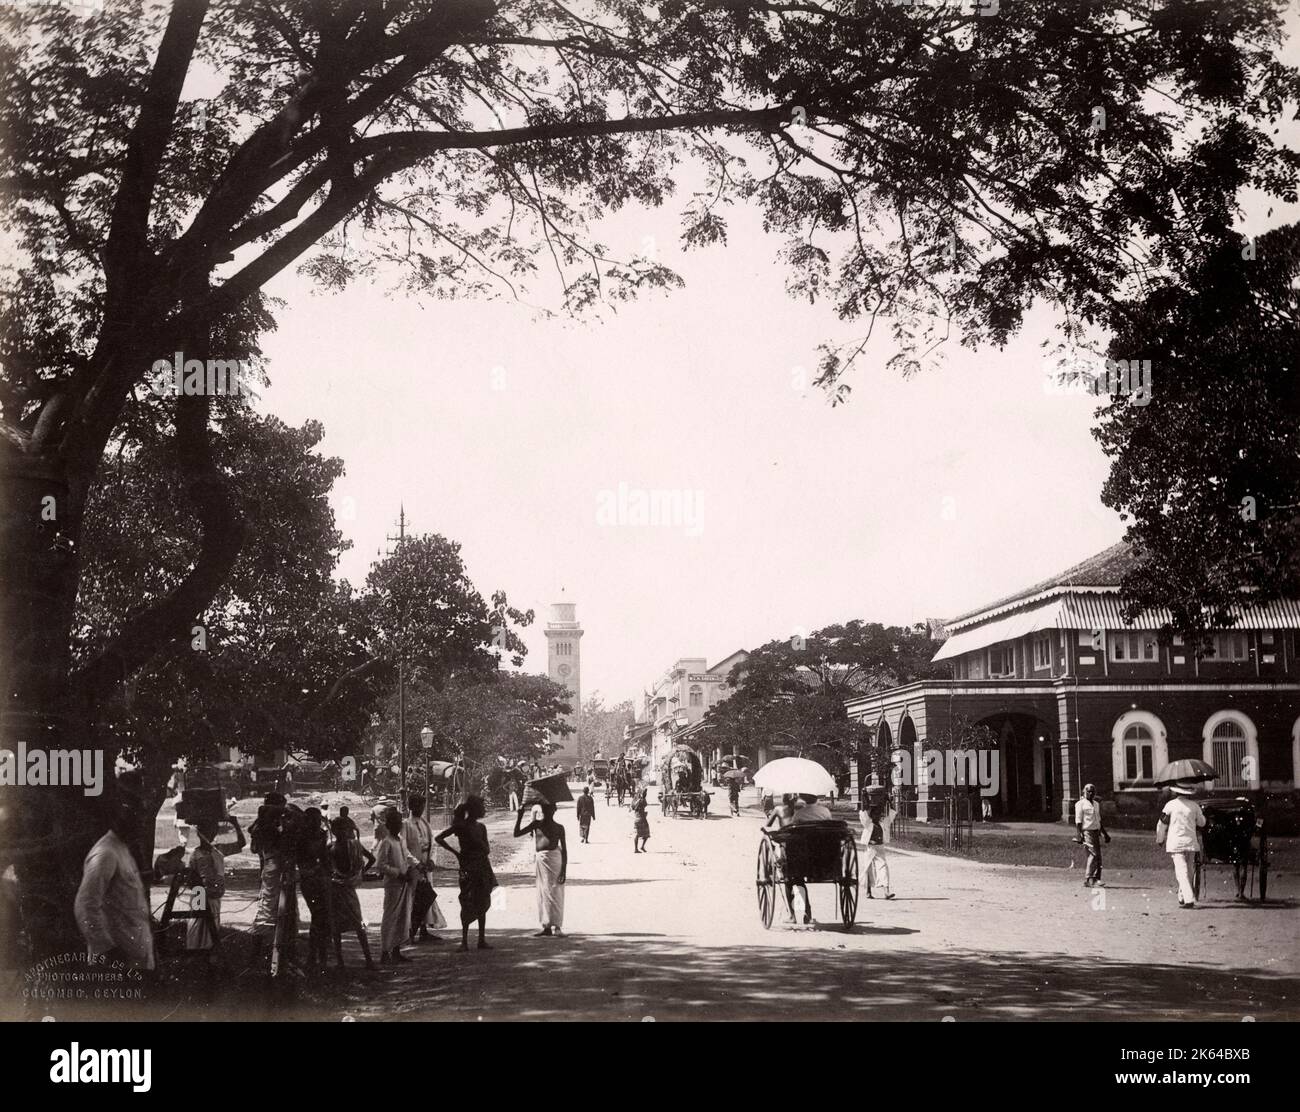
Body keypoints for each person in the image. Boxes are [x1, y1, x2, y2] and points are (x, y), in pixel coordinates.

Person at [75, 792, 156, 972]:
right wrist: (105, 948)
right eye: (136, 818)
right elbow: (85, 904)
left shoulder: (122, 849)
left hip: (135, 958)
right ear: (120, 819)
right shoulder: (106, 854)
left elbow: (124, 891)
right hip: (117, 963)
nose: (142, 825)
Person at [436, 796, 497, 951]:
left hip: (482, 866)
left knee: (483, 900)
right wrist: (456, 853)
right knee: (467, 901)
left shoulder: (481, 827)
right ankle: (464, 941)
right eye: (481, 808)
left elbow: (487, 849)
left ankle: (481, 939)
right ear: (474, 810)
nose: (484, 810)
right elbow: (439, 838)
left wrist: (478, 844)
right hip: (469, 867)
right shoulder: (461, 827)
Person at [185, 814, 245, 952]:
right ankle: (193, 953)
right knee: (197, 923)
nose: (211, 835)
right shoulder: (195, 855)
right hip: (199, 895)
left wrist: (235, 824)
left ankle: (208, 954)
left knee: (211, 926)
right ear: (200, 834)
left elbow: (241, 844)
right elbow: (189, 879)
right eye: (208, 832)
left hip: (214, 896)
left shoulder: (218, 850)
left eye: (213, 832)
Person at [328, 817, 377, 969]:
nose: (344, 832)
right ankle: (342, 961)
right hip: (341, 889)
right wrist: (359, 873)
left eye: (346, 829)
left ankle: (365, 960)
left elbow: (371, 859)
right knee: (343, 926)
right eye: (342, 829)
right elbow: (371, 859)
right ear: (335, 831)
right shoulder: (348, 847)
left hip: (340, 888)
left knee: (354, 924)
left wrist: (360, 873)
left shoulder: (335, 847)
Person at [515, 799, 567, 936]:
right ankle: (547, 927)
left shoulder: (559, 828)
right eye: (546, 809)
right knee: (543, 893)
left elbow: (565, 850)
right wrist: (520, 816)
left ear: (554, 810)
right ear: (542, 811)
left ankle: (557, 927)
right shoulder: (536, 824)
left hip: (555, 860)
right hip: (541, 860)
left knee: (556, 893)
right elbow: (516, 833)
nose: (548, 812)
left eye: (550, 809)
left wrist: (564, 870)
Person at [376, 807, 418, 963]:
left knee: (402, 917)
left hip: (404, 883)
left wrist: (417, 864)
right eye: (394, 823)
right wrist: (397, 873)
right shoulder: (386, 842)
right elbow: (381, 865)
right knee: (390, 917)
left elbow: (407, 855)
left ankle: (396, 950)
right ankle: (384, 952)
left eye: (399, 822)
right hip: (393, 885)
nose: (398, 825)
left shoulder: (401, 840)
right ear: (388, 825)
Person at [1158, 784, 1206, 908]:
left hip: (1176, 842)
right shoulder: (1194, 806)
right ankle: (1182, 895)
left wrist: (1160, 838)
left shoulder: (1170, 805)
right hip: (1190, 842)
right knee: (1189, 870)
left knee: (1181, 871)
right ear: (1189, 793)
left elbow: (1162, 823)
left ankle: (1189, 899)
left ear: (1175, 793)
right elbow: (1202, 823)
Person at [297, 807, 333, 971]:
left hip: (321, 878)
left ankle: (321, 956)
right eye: (315, 819)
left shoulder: (321, 834)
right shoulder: (302, 837)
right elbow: (301, 861)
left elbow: (325, 858)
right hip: (309, 880)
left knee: (323, 916)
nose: (318, 823)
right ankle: (314, 956)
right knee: (318, 915)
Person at [403, 795, 441, 944]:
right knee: (414, 897)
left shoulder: (426, 823)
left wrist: (432, 860)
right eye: (418, 806)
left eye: (422, 806)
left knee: (426, 895)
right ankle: (410, 931)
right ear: (411, 806)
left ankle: (424, 930)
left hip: (426, 864)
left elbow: (433, 844)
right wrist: (415, 863)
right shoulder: (405, 824)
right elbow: (404, 848)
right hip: (414, 867)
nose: (421, 809)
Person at [1073, 783, 1110, 888]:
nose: (1091, 793)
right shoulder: (1080, 804)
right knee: (1093, 854)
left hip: (1096, 832)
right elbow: (1078, 821)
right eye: (1088, 791)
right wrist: (1079, 834)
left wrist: (1105, 834)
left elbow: (1098, 821)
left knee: (1098, 855)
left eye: (1093, 791)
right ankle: (1090, 878)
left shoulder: (1096, 804)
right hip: (1087, 831)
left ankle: (1096, 878)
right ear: (1084, 792)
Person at [860, 803, 895, 900]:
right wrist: (864, 800)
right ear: (871, 815)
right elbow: (863, 814)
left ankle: (886, 892)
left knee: (883, 867)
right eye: (875, 815)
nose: (877, 816)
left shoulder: (883, 824)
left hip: (880, 847)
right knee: (868, 869)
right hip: (870, 848)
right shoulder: (868, 823)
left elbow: (892, 815)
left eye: (879, 815)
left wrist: (889, 802)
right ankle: (868, 891)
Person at [631, 788, 651, 853]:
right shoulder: (640, 800)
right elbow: (645, 804)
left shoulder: (635, 800)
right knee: (646, 833)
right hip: (641, 818)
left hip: (638, 818)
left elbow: (632, 807)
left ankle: (637, 848)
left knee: (639, 834)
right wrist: (641, 798)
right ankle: (640, 847)